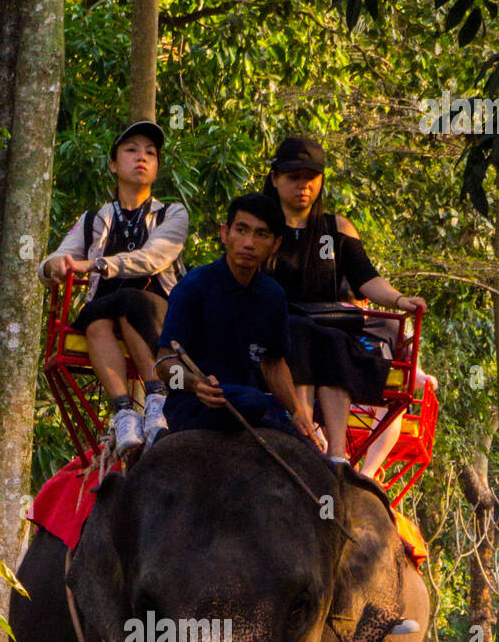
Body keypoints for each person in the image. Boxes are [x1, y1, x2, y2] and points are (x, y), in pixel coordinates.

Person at [263, 135, 437, 477]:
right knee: (299, 333)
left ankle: (338, 456)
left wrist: (401, 300)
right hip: (277, 324)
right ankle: (306, 439)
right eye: (293, 177)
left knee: (333, 341)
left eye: (310, 178)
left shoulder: (335, 230)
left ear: (321, 180)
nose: (303, 186)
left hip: (328, 324)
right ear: (275, 178)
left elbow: (366, 278)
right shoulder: (262, 227)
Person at [39, 121, 189, 455]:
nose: (142, 157)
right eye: (131, 150)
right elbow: (58, 257)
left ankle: (156, 399)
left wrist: (96, 265)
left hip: (158, 309)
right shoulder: (94, 218)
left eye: (151, 153)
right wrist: (53, 266)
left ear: (157, 167)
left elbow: (151, 259)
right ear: (112, 164)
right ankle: (124, 412)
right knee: (97, 315)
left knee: (129, 302)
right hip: (105, 312)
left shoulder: (172, 214)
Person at [155, 193, 323, 448]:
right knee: (252, 400)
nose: (248, 243)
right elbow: (165, 365)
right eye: (241, 230)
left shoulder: (272, 295)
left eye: (261, 235)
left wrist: (298, 411)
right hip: (195, 406)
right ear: (225, 233)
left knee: (307, 449)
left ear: (275, 244)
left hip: (247, 402)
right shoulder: (193, 287)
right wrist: (194, 384)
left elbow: (274, 364)